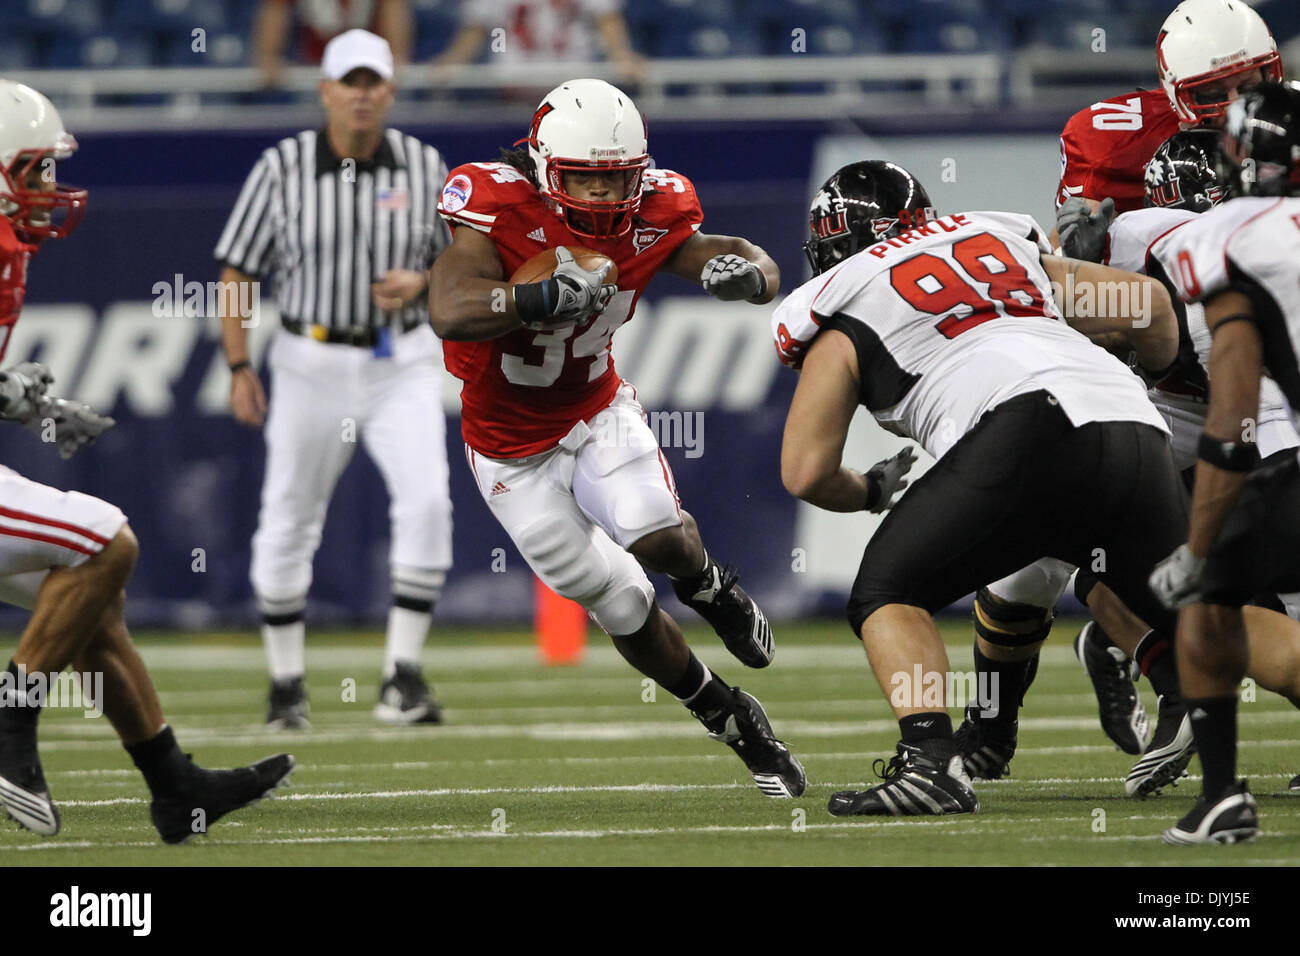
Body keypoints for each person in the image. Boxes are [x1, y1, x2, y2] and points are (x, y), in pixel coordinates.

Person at [773, 159, 1185, 817]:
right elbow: (1151, 308)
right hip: (1134, 422)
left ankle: (929, 764)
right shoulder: (997, 243)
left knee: (888, 590)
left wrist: (870, 492)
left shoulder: (841, 302)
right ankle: (1168, 678)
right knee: (1210, 612)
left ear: (831, 246)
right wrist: (1162, 376)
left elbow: (805, 470)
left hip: (1027, 429)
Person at [429, 78, 804, 798]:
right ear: (543, 166)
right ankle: (726, 714)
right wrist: (528, 298)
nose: (603, 196)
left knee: (650, 527)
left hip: (596, 411)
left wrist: (752, 277)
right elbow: (449, 306)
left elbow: (738, 254)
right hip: (508, 448)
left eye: (616, 180)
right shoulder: (493, 202)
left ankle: (710, 587)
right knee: (618, 602)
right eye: (586, 180)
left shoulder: (658, 208)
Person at [958, 131, 1300, 796]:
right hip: (1191, 411)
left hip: (1239, 419)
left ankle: (1145, 670)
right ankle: (1009, 723)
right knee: (1051, 524)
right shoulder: (1190, 231)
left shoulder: (1150, 229)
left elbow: (1055, 287)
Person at [0, 80, 293, 842]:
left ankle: (174, 786)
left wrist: (29, 403)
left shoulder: (10, 244)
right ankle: (9, 716)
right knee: (106, 540)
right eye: (34, 170)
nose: (50, 188)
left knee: (90, 605)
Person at [217, 30, 454, 729]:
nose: (360, 93)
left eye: (372, 81)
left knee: (429, 503)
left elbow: (465, 264)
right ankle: (286, 684)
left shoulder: (423, 163)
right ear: (324, 89)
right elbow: (238, 271)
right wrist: (238, 364)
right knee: (290, 514)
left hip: (399, 358)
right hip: (309, 358)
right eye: (348, 81)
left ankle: (401, 678)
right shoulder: (282, 166)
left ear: (389, 89)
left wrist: (424, 282)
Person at [1148, 80, 1300, 843]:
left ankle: (1222, 797)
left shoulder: (1230, 234)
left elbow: (1233, 409)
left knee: (1204, 602)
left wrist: (1200, 546)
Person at [431, 0, 645, 87]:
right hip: (513, 84)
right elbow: (476, 26)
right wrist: (454, 59)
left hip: (573, 82)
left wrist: (622, 54)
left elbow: (606, 18)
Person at [254, 0, 413, 88]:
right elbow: (276, 8)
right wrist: (269, 57)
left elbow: (393, 7)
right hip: (315, 65)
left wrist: (396, 55)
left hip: (367, 64)